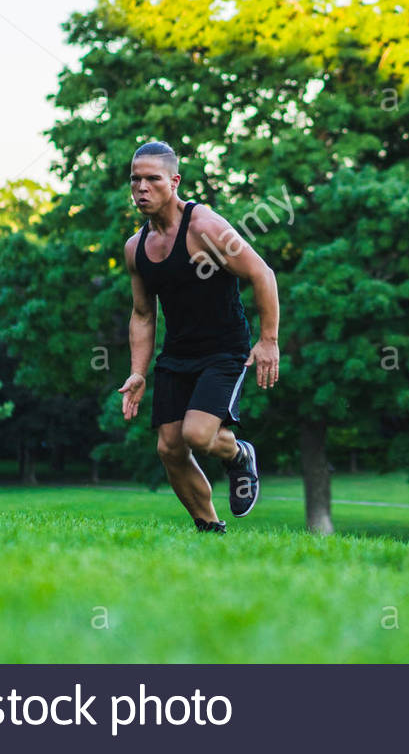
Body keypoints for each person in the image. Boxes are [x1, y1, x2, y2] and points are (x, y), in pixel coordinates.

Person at [118, 141, 280, 533]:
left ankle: (240, 455)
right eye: (135, 180)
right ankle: (209, 528)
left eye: (152, 180)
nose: (142, 188)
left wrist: (268, 340)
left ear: (173, 182)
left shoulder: (206, 227)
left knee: (197, 434)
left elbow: (262, 274)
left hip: (224, 351)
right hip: (177, 355)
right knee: (169, 448)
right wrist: (138, 372)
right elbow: (142, 314)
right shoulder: (136, 248)